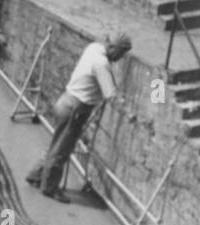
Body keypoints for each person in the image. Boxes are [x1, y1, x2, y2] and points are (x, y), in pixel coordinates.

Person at [26, 33, 133, 202]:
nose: (119, 58)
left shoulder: (93, 48)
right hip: (76, 109)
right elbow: (110, 94)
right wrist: (128, 112)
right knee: (62, 149)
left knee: (56, 142)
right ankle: (49, 188)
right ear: (113, 47)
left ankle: (36, 174)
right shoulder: (102, 63)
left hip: (65, 101)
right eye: (120, 53)